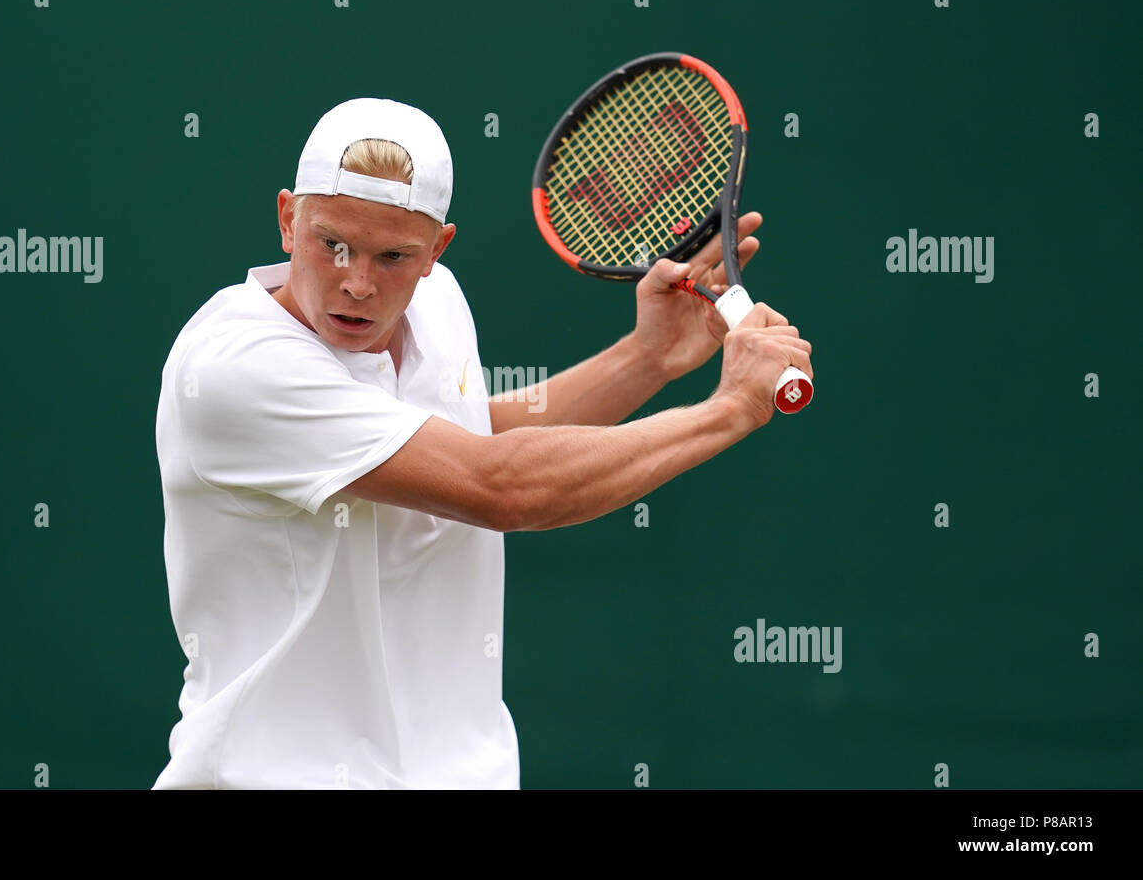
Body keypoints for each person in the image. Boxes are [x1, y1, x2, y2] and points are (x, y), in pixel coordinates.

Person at [151, 97, 813, 789]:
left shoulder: (438, 307)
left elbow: (465, 440)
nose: (357, 280)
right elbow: (499, 484)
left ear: (438, 250)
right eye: (332, 244)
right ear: (288, 219)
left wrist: (644, 357)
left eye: (394, 256)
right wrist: (730, 408)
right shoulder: (235, 368)